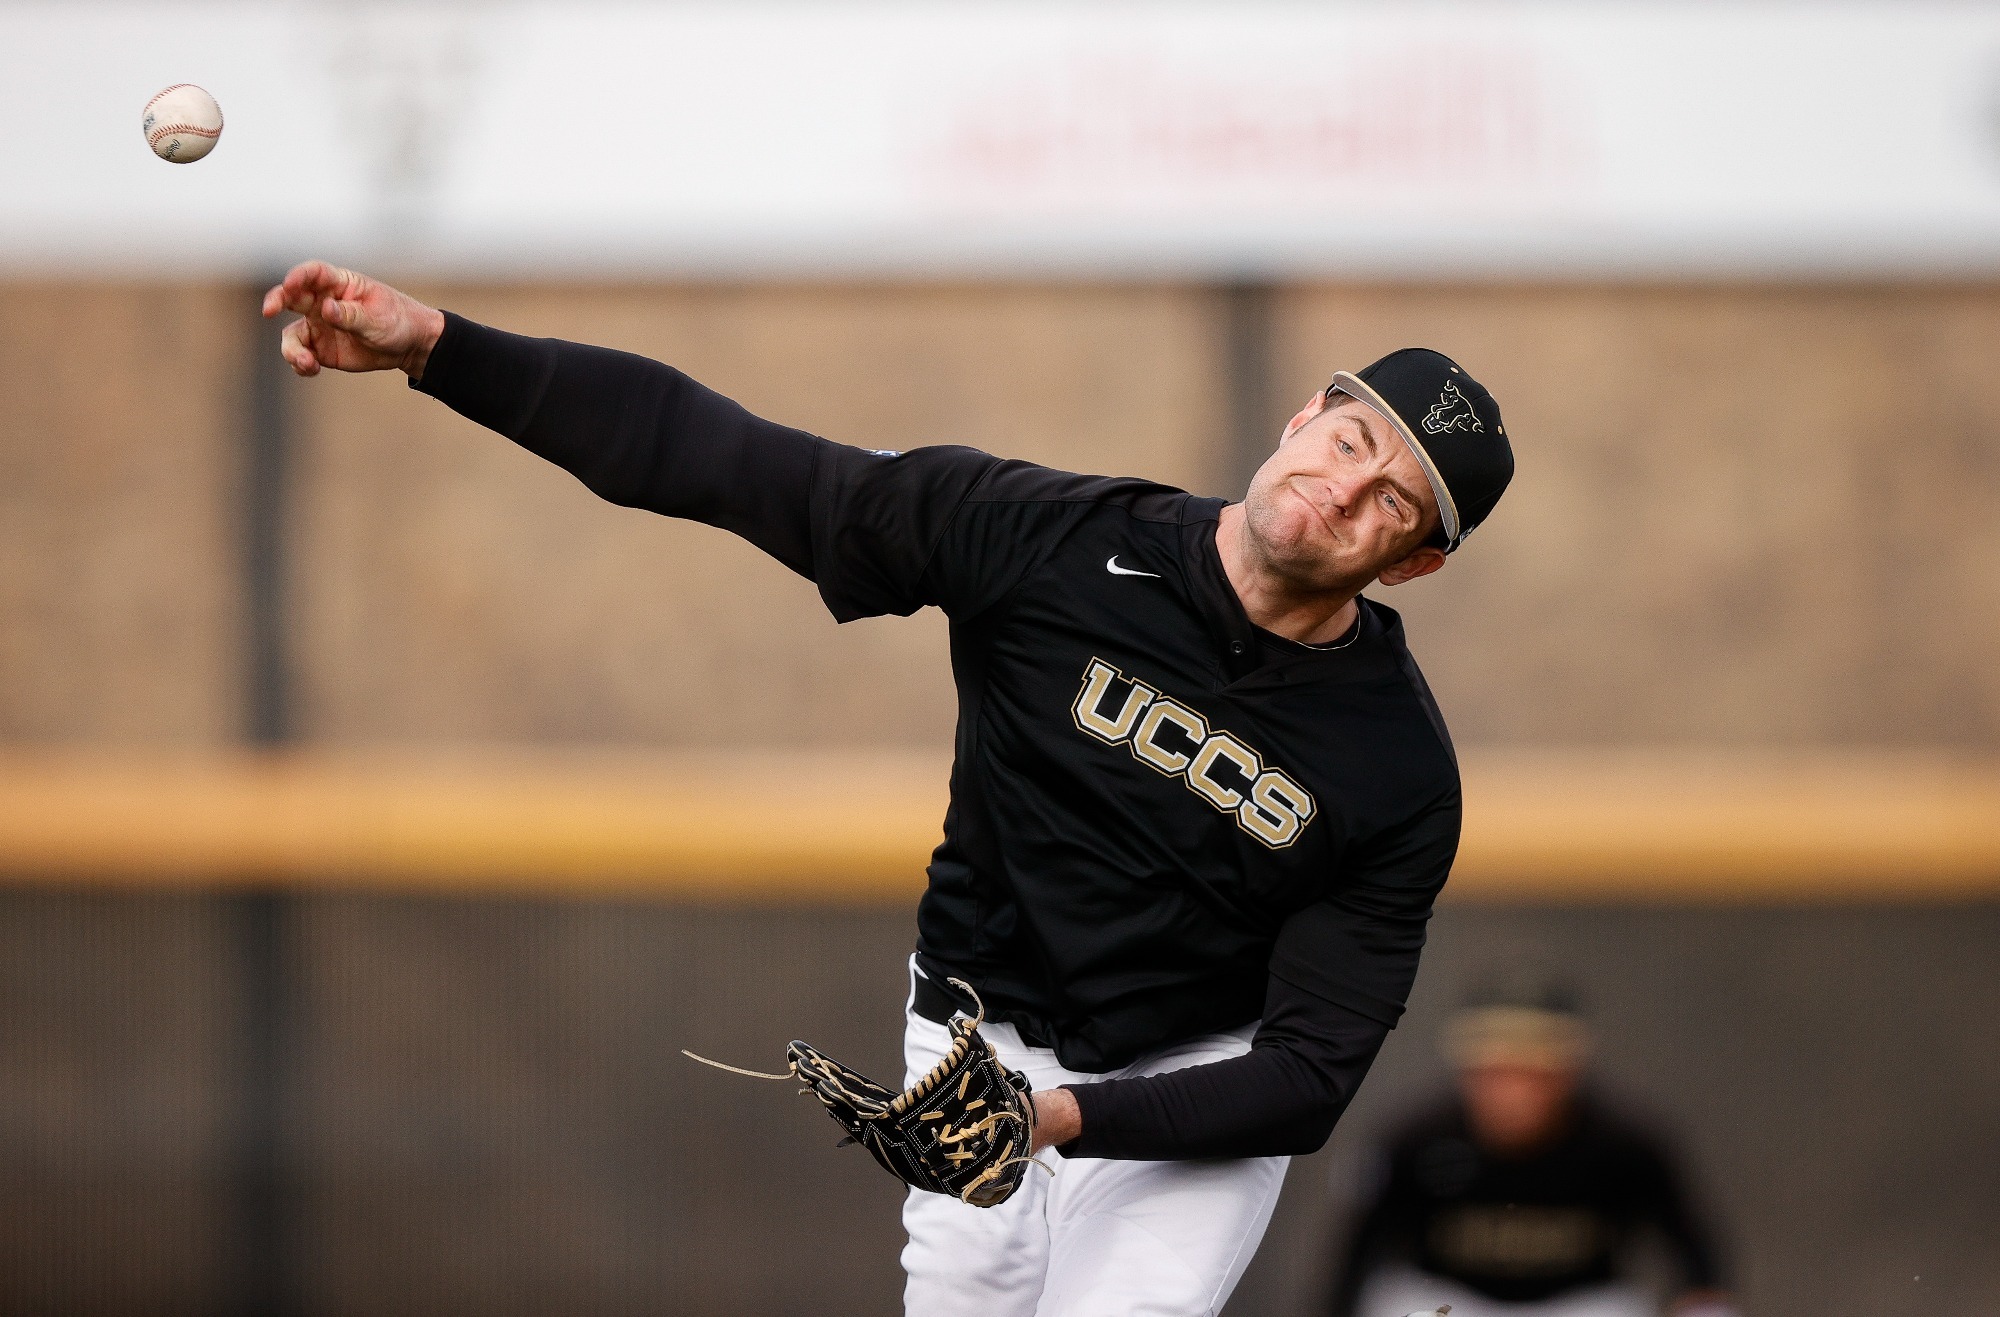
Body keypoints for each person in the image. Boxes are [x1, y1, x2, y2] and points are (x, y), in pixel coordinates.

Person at [262, 260, 1515, 1317]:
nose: (1341, 487)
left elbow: (1304, 1076)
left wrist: (1060, 1116)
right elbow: (720, 457)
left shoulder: (1393, 768)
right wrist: (436, 346)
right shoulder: (1044, 538)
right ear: (1305, 415)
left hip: (1187, 1082)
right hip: (978, 1027)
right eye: (1351, 439)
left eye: (1389, 497)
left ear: (1412, 561)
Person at [1328, 980, 1737, 1317]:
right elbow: (1357, 1254)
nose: (1512, 1093)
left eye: (1531, 1072)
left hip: (1581, 1305)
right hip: (1449, 1303)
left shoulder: (1624, 1145)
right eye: (1496, 1072)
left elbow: (1693, 1250)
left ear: (1567, 1073)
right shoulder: (1417, 1140)